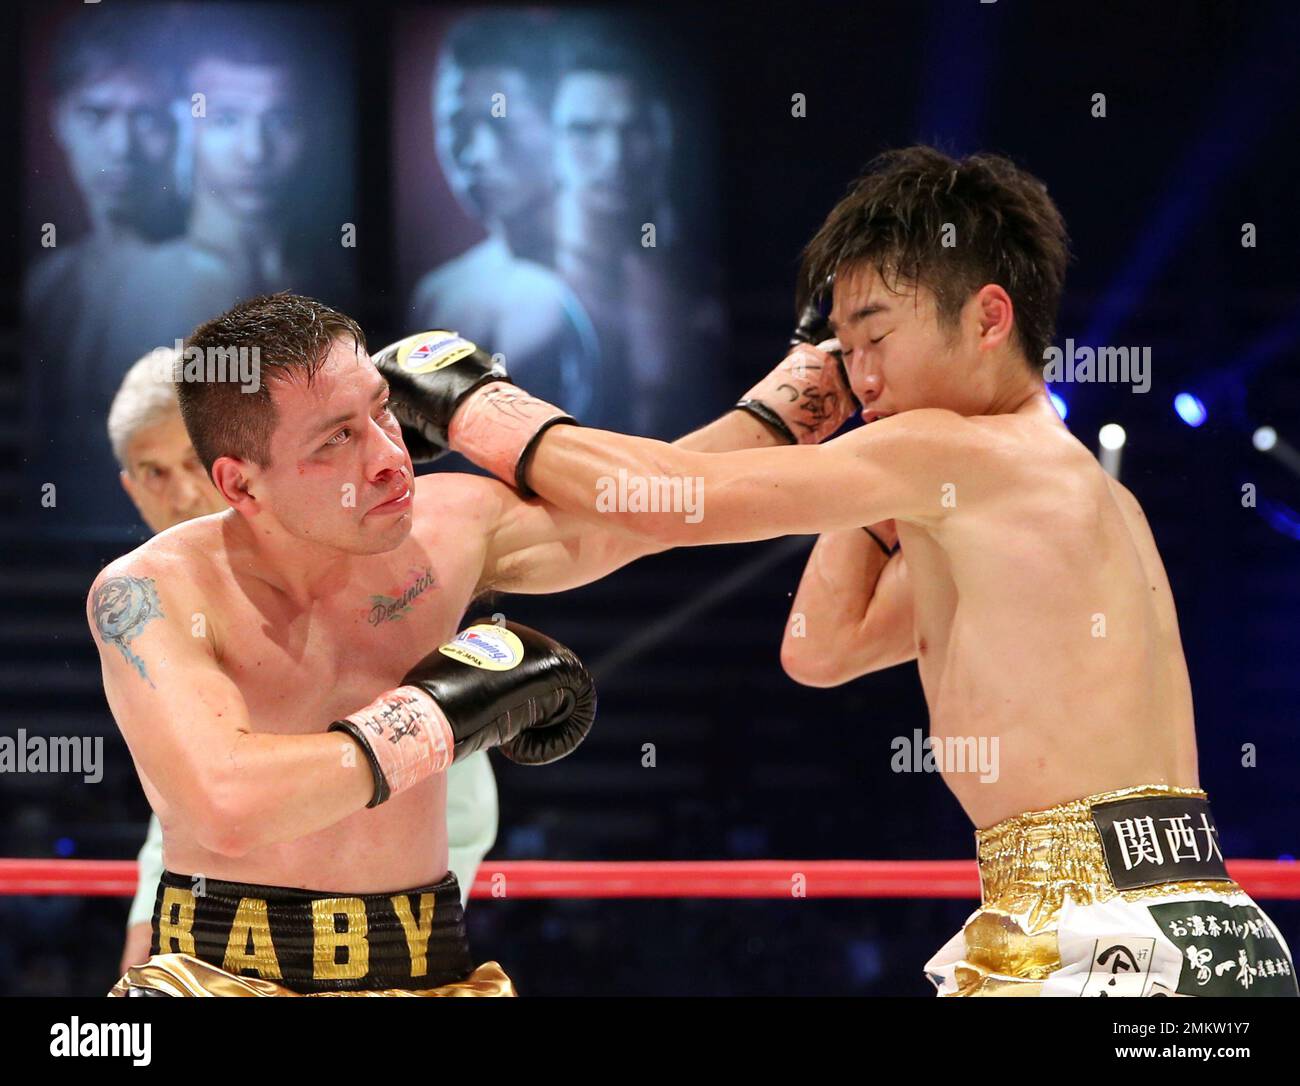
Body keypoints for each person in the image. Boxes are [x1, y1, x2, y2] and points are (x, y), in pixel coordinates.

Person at [431, 146, 1298, 997]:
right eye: (842, 351)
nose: (859, 375)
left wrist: (474, 403)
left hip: (1102, 934)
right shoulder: (1049, 487)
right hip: (1188, 921)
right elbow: (823, 648)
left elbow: (665, 498)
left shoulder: (957, 453)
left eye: (875, 335)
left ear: (990, 318)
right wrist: (854, 446)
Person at [96, 293, 776, 995]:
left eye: (380, 412)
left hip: (423, 959)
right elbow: (223, 805)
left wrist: (788, 409)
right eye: (336, 438)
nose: (390, 458)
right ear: (235, 481)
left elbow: (652, 507)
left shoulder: (435, 533)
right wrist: (439, 716)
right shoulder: (152, 594)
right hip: (219, 967)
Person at [105, 348, 500, 977]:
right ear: (128, 485)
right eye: (153, 473)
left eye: (191, 464)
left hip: (393, 920)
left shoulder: (369, 558)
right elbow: (198, 798)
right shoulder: (151, 595)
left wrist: (492, 416)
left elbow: (460, 808)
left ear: (237, 467)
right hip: (236, 935)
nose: (182, 493)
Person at [408, 12, 599, 417]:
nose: (478, 154)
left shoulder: (629, 284)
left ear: (557, 124)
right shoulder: (439, 294)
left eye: (501, 124)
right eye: (458, 125)